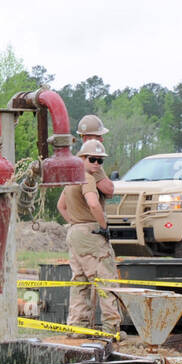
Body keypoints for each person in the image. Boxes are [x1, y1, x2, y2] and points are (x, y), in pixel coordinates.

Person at [57, 139, 121, 338]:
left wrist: (76, 224)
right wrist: (103, 226)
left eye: (100, 161)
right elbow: (94, 204)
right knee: (106, 281)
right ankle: (111, 330)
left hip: (75, 233)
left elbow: (61, 206)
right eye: (93, 159)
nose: (97, 164)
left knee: (80, 282)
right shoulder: (87, 178)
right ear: (82, 158)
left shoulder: (71, 178)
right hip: (91, 233)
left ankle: (77, 328)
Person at [74, 114, 115, 196]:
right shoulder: (90, 162)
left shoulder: (79, 159)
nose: (102, 139)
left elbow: (61, 205)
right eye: (98, 136)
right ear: (86, 138)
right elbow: (109, 189)